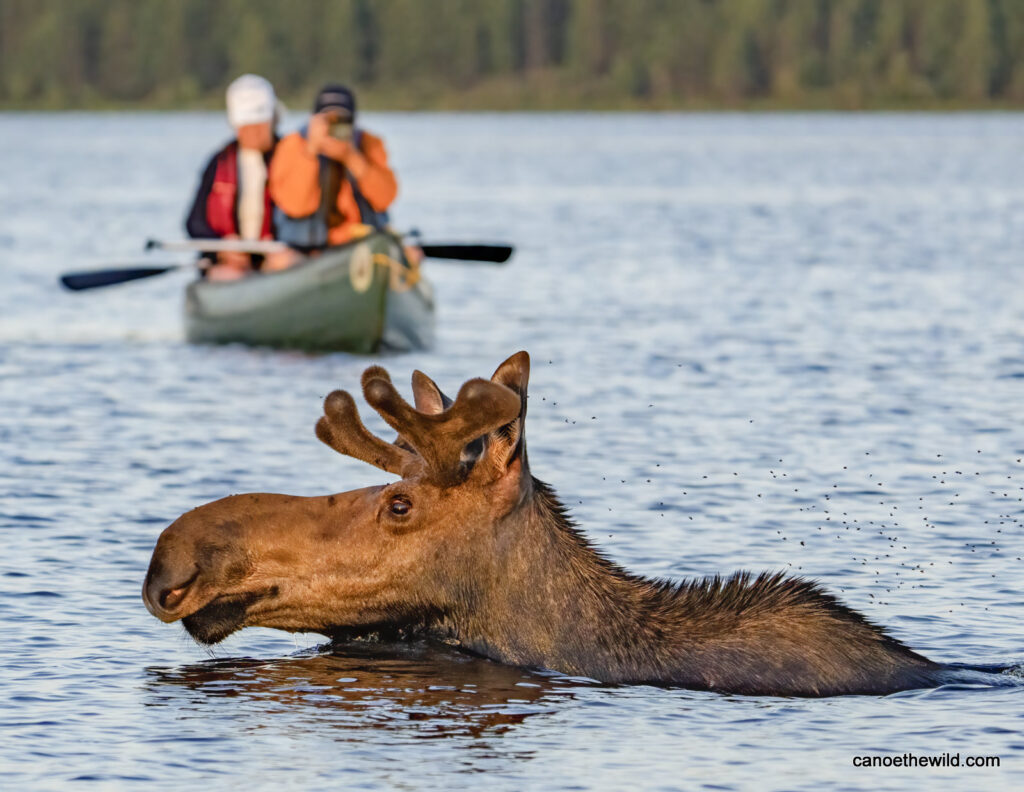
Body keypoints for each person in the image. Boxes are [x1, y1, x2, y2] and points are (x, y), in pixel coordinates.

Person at [185, 74, 294, 280]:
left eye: (260, 126)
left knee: (287, 261)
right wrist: (223, 247)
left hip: (276, 257)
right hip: (230, 263)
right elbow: (194, 222)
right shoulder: (219, 162)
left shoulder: (290, 157)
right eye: (248, 128)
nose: (255, 134)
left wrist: (280, 242)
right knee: (228, 276)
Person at [269, 84, 398, 249]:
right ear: (313, 121)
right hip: (309, 248)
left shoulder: (369, 144)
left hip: (360, 242)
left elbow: (385, 198)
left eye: (342, 120)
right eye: (328, 120)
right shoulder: (293, 144)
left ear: (354, 122)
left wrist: (353, 159)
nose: (334, 127)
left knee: (411, 253)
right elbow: (295, 206)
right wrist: (310, 152)